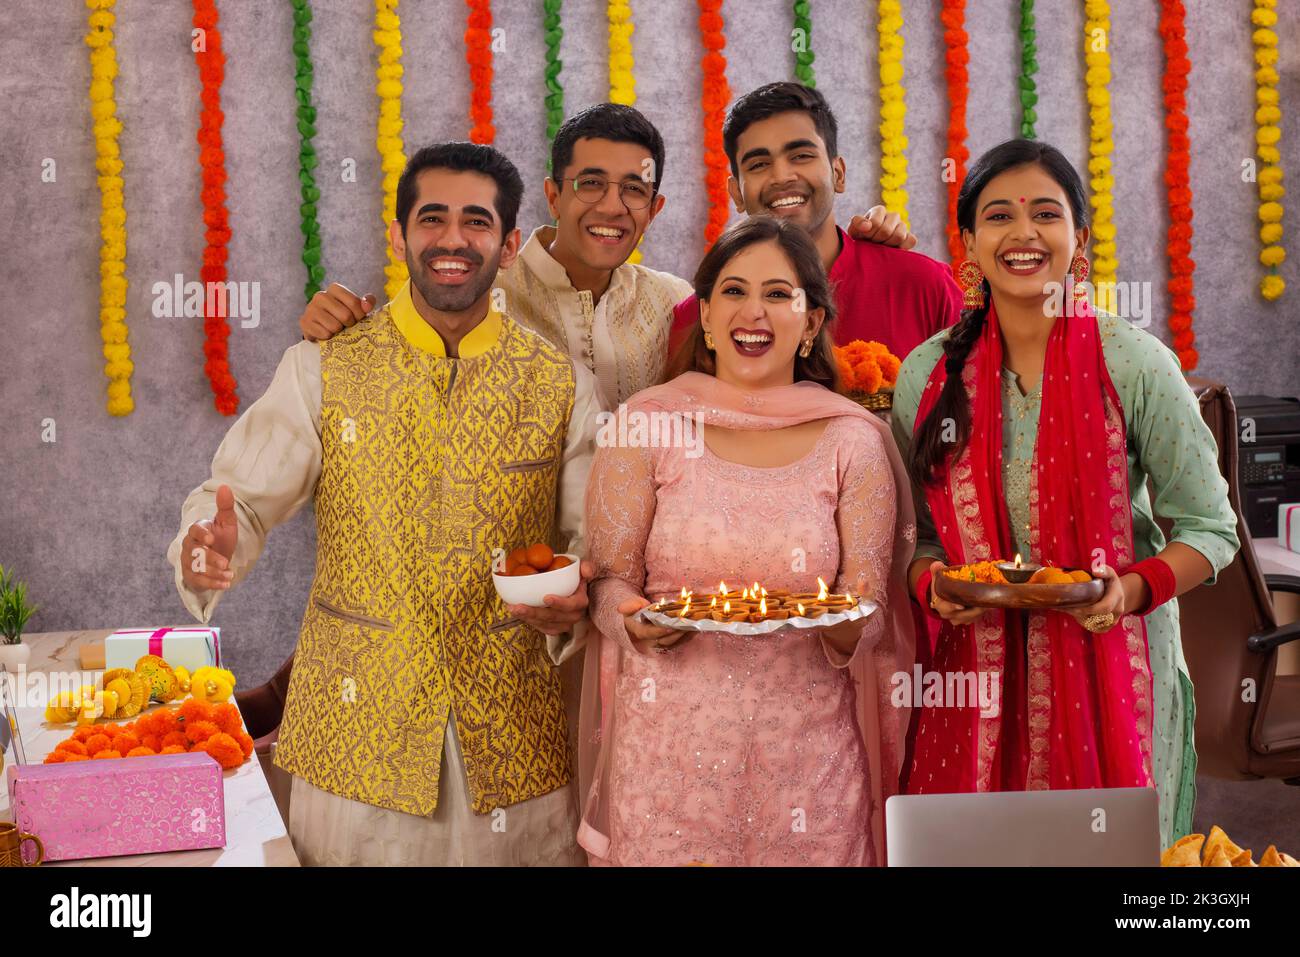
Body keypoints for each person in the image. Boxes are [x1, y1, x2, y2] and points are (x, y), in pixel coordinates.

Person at [167, 142, 601, 866]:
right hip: (355, 745)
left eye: (477, 221)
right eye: (432, 219)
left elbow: (592, 545)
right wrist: (208, 549)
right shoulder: (322, 364)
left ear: (511, 243)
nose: (454, 239)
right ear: (399, 235)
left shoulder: (561, 383)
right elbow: (236, 503)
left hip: (513, 745)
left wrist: (575, 600)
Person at [890, 139, 1239, 847]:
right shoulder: (926, 373)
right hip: (972, 673)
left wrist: (1130, 590)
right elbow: (915, 536)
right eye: (999, 216)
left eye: (1045, 213)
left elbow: (1211, 529)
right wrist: (930, 583)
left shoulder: (1134, 361)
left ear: (1079, 240)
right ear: (969, 243)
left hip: (1116, 668)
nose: (1023, 233)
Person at [579, 216, 917, 866]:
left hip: (813, 770)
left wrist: (845, 621)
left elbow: (869, 614)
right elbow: (608, 583)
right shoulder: (649, 426)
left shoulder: (853, 440)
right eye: (733, 291)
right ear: (705, 316)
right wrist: (632, 620)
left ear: (812, 322)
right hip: (667, 766)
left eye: (778, 294)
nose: (752, 311)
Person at [298, 101, 915, 405]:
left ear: (656, 208)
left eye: (634, 190)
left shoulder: (684, 305)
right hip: (510, 578)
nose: (611, 206)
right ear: (552, 194)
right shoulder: (483, 290)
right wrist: (334, 327)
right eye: (590, 183)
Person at [668, 82, 962, 362]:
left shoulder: (923, 287)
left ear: (838, 174)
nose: (782, 176)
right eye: (759, 164)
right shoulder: (700, 317)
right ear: (737, 193)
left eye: (801, 156)